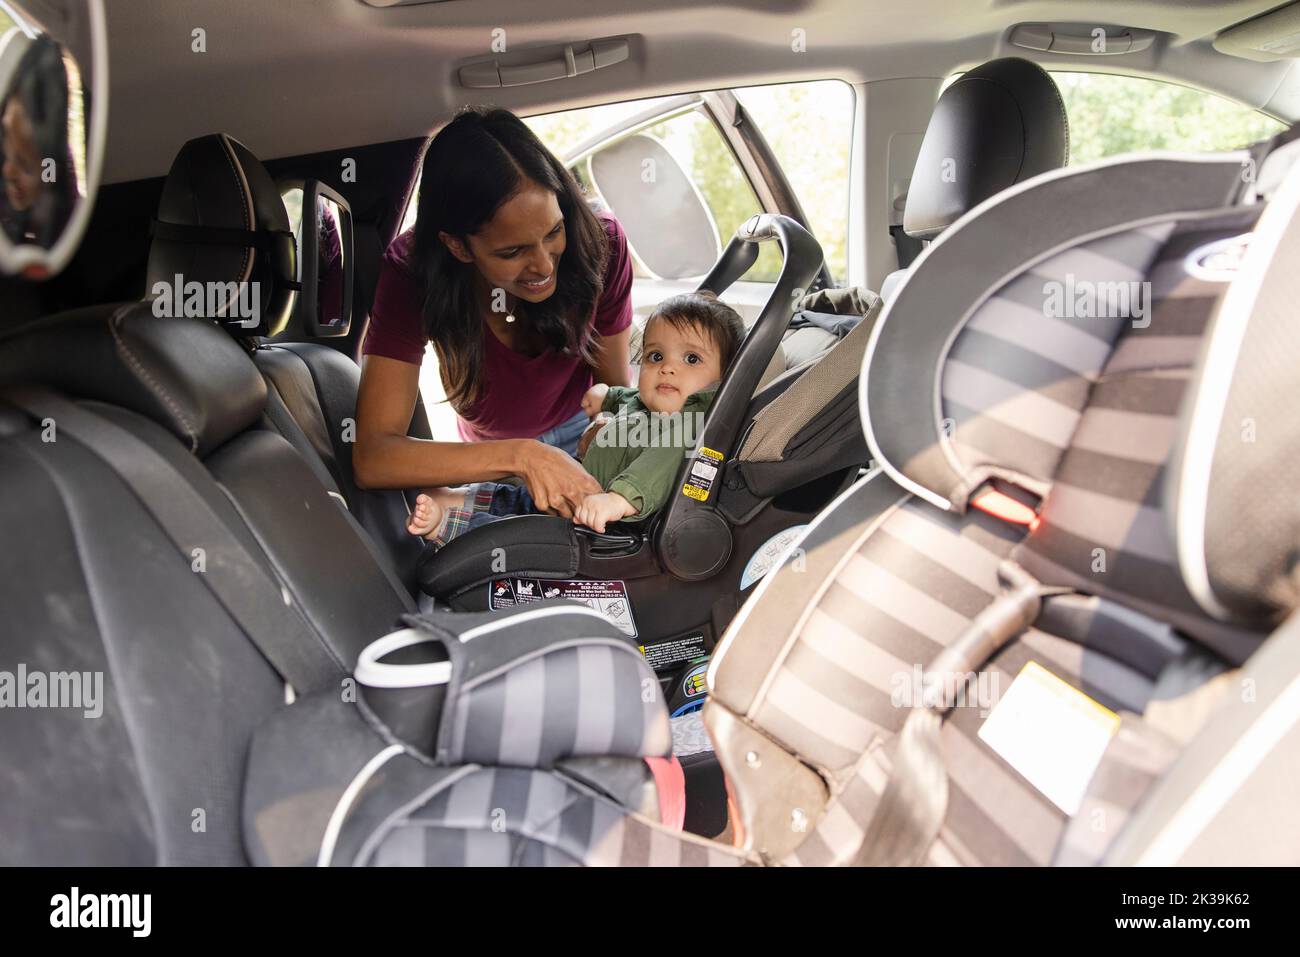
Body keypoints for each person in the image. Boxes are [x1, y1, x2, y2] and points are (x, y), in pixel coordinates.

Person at [353, 105, 634, 519]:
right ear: (458, 246)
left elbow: (614, 394)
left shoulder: (600, 241)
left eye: (554, 232)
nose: (543, 265)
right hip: (490, 456)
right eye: (512, 251)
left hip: (582, 427)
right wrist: (524, 457)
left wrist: (608, 451)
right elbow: (373, 455)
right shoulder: (412, 273)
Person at [408, 290, 745, 541]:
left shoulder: (689, 424)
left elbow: (660, 465)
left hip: (598, 520)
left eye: (691, 360)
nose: (667, 368)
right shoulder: (652, 402)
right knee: (516, 495)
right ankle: (466, 500)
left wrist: (619, 500)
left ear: (723, 379)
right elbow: (630, 397)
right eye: (655, 356)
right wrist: (607, 396)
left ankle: (447, 528)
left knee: (517, 533)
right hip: (574, 491)